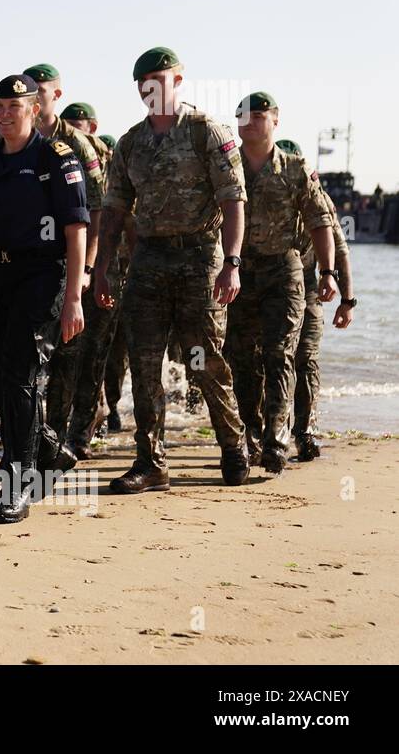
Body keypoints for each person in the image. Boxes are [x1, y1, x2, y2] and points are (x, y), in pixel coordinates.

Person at [95, 46, 250, 493]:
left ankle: (232, 442)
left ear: (177, 82)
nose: (152, 90)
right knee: (144, 364)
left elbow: (233, 199)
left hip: (200, 257)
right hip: (148, 260)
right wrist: (103, 267)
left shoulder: (206, 132)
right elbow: (114, 209)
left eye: (160, 81)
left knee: (204, 361)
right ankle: (150, 462)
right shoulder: (129, 143)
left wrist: (232, 263)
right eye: (145, 84)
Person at [0, 74, 88, 523]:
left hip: (42, 274)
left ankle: (18, 482)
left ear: (33, 110)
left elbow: (77, 231)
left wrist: (74, 297)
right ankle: (50, 449)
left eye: (13, 106)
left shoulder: (55, 158)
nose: (4, 114)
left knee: (21, 375)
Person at [223, 93, 338, 473]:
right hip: (240, 272)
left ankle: (276, 440)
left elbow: (321, 222)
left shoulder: (294, 167)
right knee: (241, 357)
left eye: (258, 116)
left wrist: (327, 273)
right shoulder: (226, 165)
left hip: (283, 271)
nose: (249, 122)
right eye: (242, 116)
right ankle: (250, 435)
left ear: (275, 120)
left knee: (280, 354)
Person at [20, 70, 106, 442]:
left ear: (54, 95)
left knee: (75, 354)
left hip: (73, 262)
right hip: (32, 264)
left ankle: (70, 433)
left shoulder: (78, 144)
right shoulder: (19, 138)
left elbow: (97, 212)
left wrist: (87, 268)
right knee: (35, 353)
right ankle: (38, 433)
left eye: (41, 92)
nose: (36, 99)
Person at [275, 139, 357, 461]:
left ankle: (304, 432)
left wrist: (347, 300)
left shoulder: (320, 202)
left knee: (305, 359)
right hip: (266, 291)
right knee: (266, 362)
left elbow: (341, 252)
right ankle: (266, 432)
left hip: (308, 293)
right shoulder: (258, 197)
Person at [65, 131, 133, 455]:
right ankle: (83, 424)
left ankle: (103, 413)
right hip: (80, 272)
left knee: (106, 353)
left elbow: (123, 224)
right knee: (73, 353)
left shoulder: (112, 173)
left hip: (113, 274)